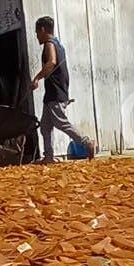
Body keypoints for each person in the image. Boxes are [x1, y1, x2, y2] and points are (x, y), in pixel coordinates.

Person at [31, 17, 94, 162]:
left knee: (61, 122)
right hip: (53, 91)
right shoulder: (59, 44)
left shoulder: (49, 44)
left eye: (37, 33)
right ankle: (48, 157)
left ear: (43, 30)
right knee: (45, 126)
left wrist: (37, 78)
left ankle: (86, 142)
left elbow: (51, 62)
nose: (37, 36)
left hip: (55, 91)